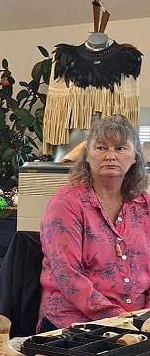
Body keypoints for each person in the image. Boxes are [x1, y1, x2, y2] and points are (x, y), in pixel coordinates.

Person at [38, 114, 150, 330]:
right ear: (87, 156)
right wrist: (121, 320)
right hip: (74, 324)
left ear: (135, 157)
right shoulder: (66, 204)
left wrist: (143, 318)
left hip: (138, 323)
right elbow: (68, 276)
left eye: (120, 148)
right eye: (101, 148)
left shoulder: (145, 206)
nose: (110, 156)